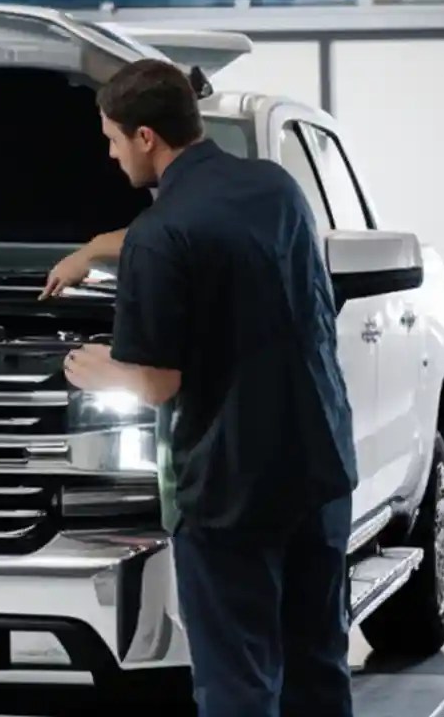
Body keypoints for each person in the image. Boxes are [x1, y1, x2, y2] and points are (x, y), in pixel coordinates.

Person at [59, 60, 358, 717]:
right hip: (318, 472)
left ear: (145, 138)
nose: (110, 156)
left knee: (236, 684)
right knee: (318, 670)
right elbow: (214, 229)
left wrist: (99, 369)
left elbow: (160, 384)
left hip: (230, 496)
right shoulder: (276, 188)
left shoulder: (162, 237)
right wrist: (94, 247)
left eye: (112, 140)